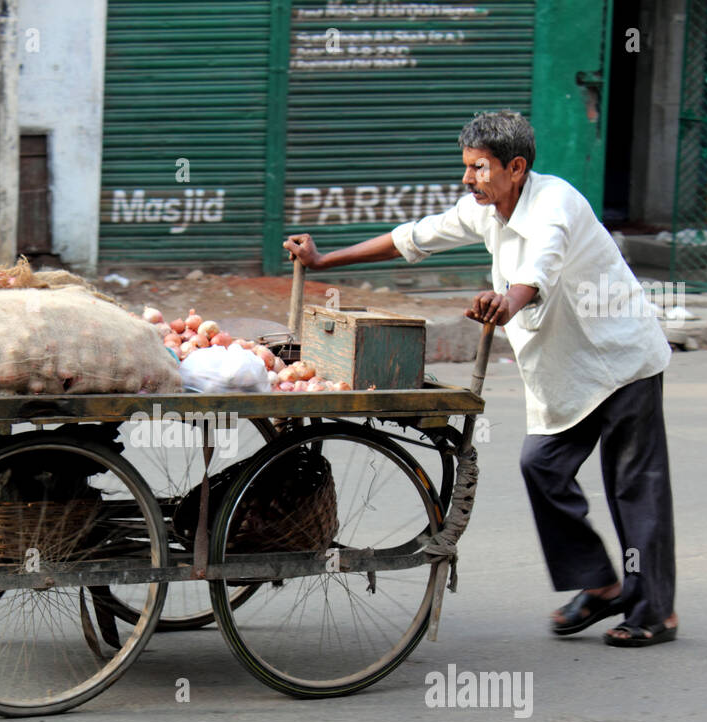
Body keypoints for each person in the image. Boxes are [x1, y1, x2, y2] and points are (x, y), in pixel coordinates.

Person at [283, 110, 678, 647]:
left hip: (623, 357)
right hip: (573, 368)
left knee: (635, 486)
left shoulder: (554, 205)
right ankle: (602, 585)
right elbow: (413, 238)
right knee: (542, 466)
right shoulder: (484, 211)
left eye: (479, 168)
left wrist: (508, 301)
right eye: (466, 167)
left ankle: (655, 610)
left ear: (515, 167)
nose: (468, 179)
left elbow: (538, 269)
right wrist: (326, 260)